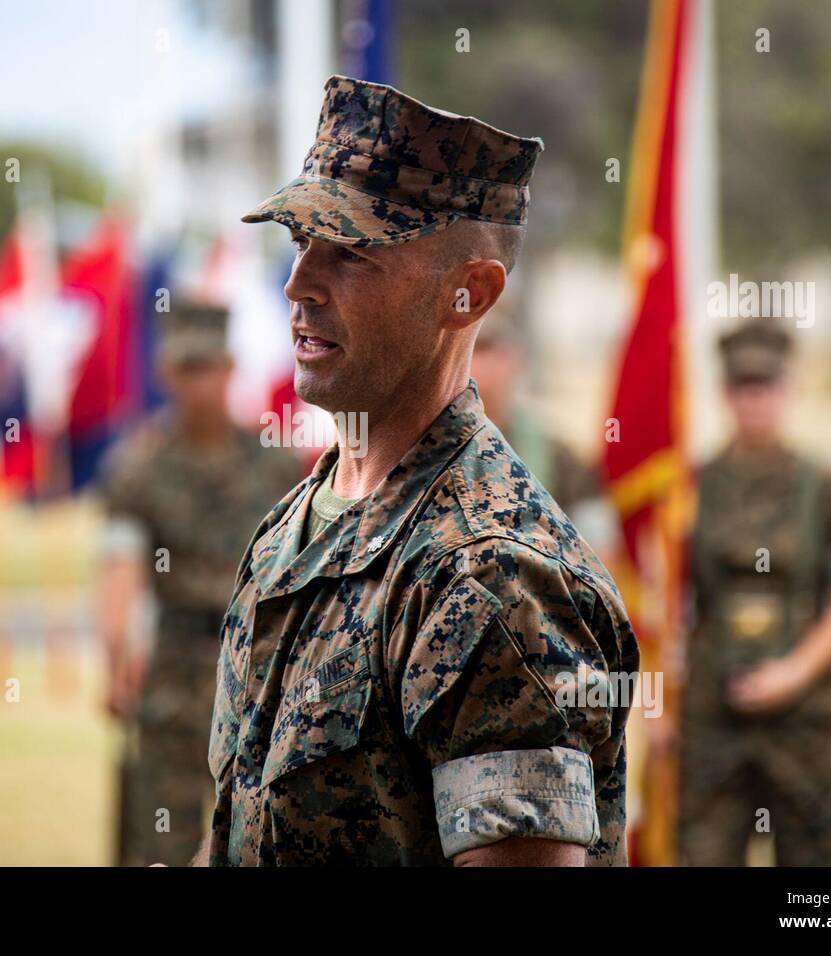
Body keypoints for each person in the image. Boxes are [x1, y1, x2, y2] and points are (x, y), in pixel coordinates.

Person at [200, 75, 638, 866]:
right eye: (301, 243)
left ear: (469, 293)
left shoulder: (490, 574)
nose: (299, 284)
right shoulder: (290, 530)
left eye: (353, 255)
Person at [98, 302, 304, 867]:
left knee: (258, 833)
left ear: (230, 367)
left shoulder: (275, 467)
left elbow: (294, 574)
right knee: (160, 835)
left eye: (208, 367)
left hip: (256, 670)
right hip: (173, 667)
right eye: (187, 370)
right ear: (166, 373)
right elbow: (121, 570)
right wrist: (116, 661)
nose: (199, 384)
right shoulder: (137, 470)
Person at [678, 317, 831, 866]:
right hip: (714, 720)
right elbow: (666, 596)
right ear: (725, 393)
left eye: (765, 386)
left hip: (807, 719)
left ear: (789, 389)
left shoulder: (830, 490)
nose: (754, 400)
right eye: (742, 387)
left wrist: (797, 671)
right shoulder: (689, 488)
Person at [469, 304, 619, 564]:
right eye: (469, 351)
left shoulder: (559, 458)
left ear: (515, 358)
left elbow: (598, 555)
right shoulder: (416, 448)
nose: (478, 366)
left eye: (486, 349)